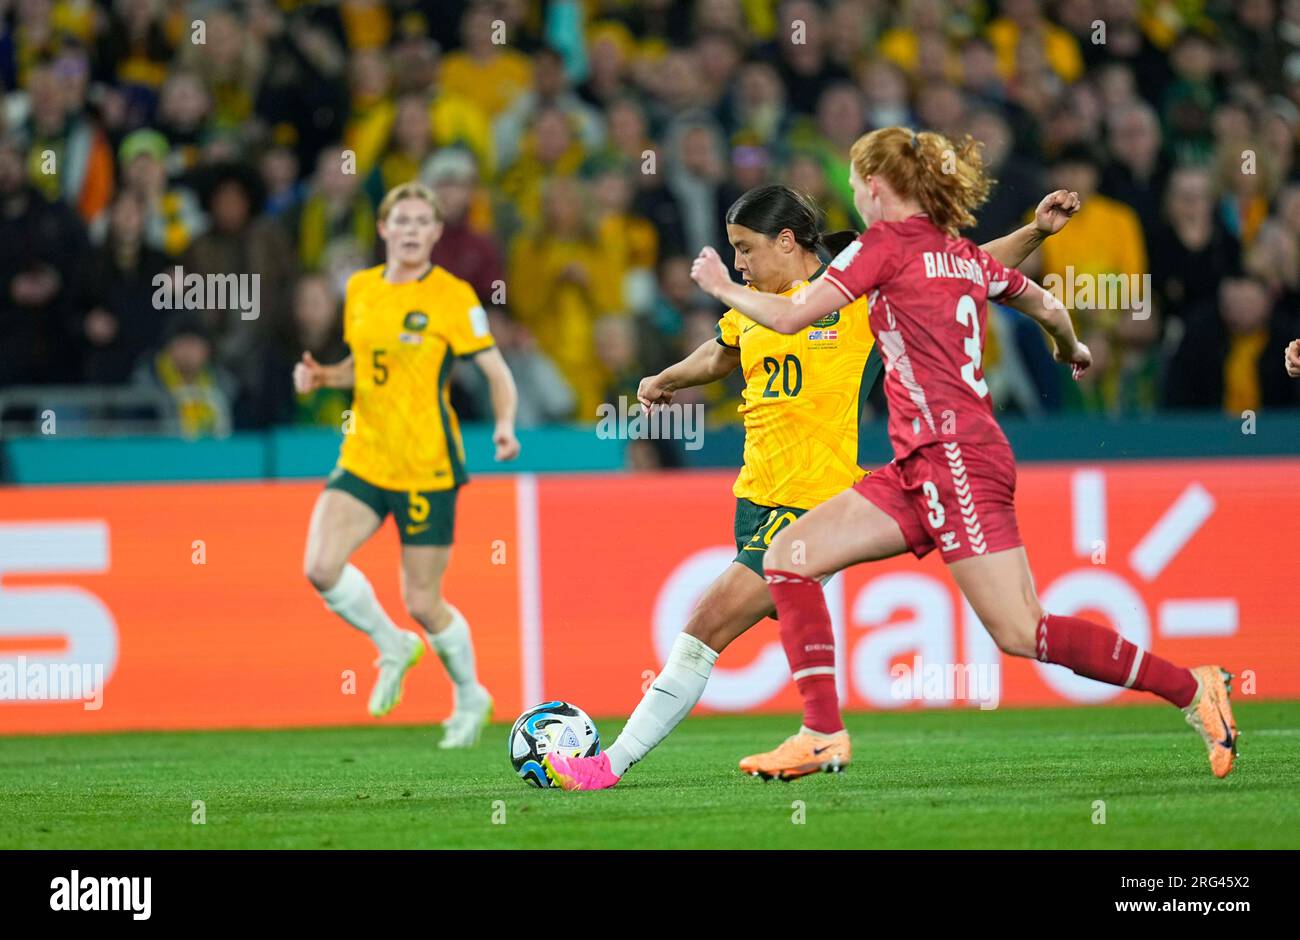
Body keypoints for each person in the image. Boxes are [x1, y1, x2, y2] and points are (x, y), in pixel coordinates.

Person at [682, 127, 1237, 781]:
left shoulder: (884, 247)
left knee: (1023, 631)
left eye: (857, 183)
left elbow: (789, 316)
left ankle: (1193, 688)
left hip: (957, 462)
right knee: (789, 557)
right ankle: (821, 733)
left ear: (876, 187)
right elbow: (1043, 301)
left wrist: (720, 285)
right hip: (919, 465)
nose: (854, 195)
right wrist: (1070, 349)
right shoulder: (949, 254)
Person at [543, 181, 1082, 791]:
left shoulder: (851, 301)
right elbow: (721, 355)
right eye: (733, 252)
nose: (739, 265)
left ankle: (608, 766)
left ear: (786, 240)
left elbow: (956, 268)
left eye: (745, 250)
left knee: (704, 626)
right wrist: (664, 378)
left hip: (814, 505)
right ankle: (816, 727)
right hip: (757, 501)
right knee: (710, 629)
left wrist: (1035, 231)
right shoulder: (753, 311)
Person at [294, 182, 520, 748]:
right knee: (320, 566)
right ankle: (391, 645)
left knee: (422, 600)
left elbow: (495, 370)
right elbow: (365, 366)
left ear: (437, 231)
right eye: (403, 220)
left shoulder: (452, 296)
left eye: (424, 221)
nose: (413, 229)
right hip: (366, 455)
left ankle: (471, 694)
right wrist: (323, 375)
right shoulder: (361, 288)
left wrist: (504, 424)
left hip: (428, 465)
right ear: (383, 228)